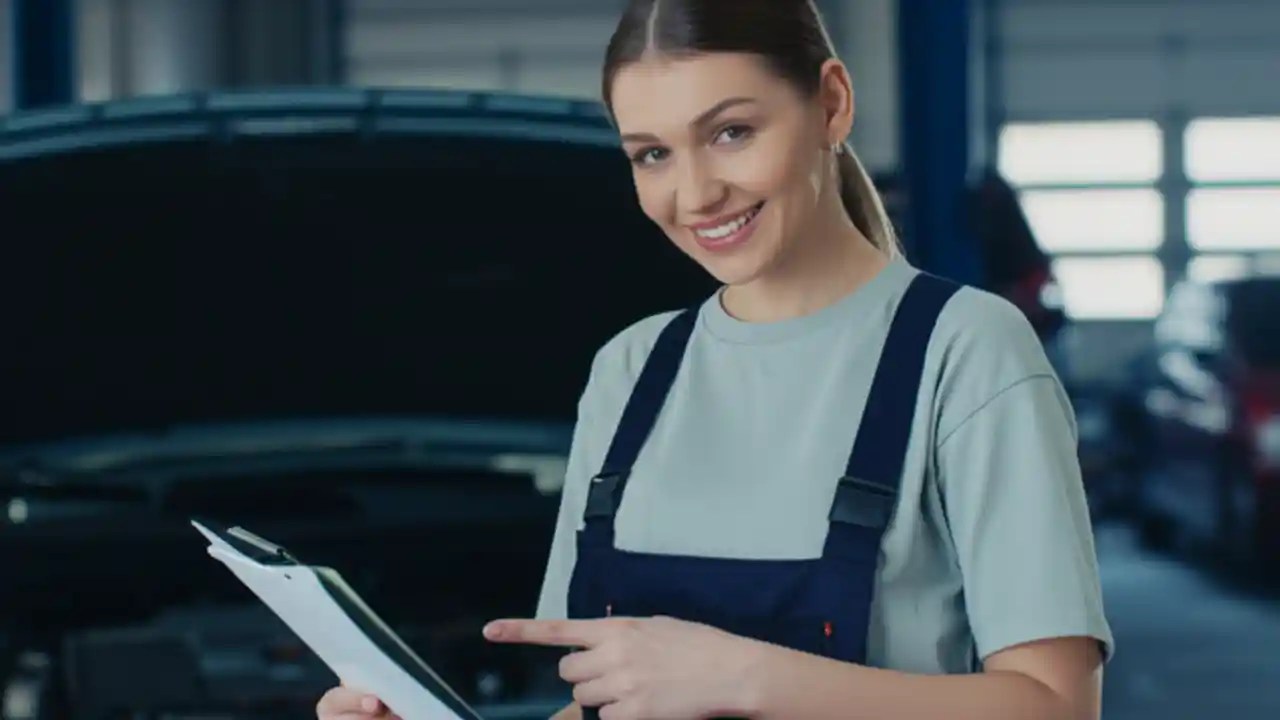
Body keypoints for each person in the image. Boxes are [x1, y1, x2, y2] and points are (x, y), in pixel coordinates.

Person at [316, 1, 1114, 719]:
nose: (694, 195)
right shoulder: (631, 371)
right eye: (651, 155)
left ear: (831, 103)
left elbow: (1052, 706)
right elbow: (598, 707)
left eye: (730, 132)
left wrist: (743, 676)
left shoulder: (965, 350)